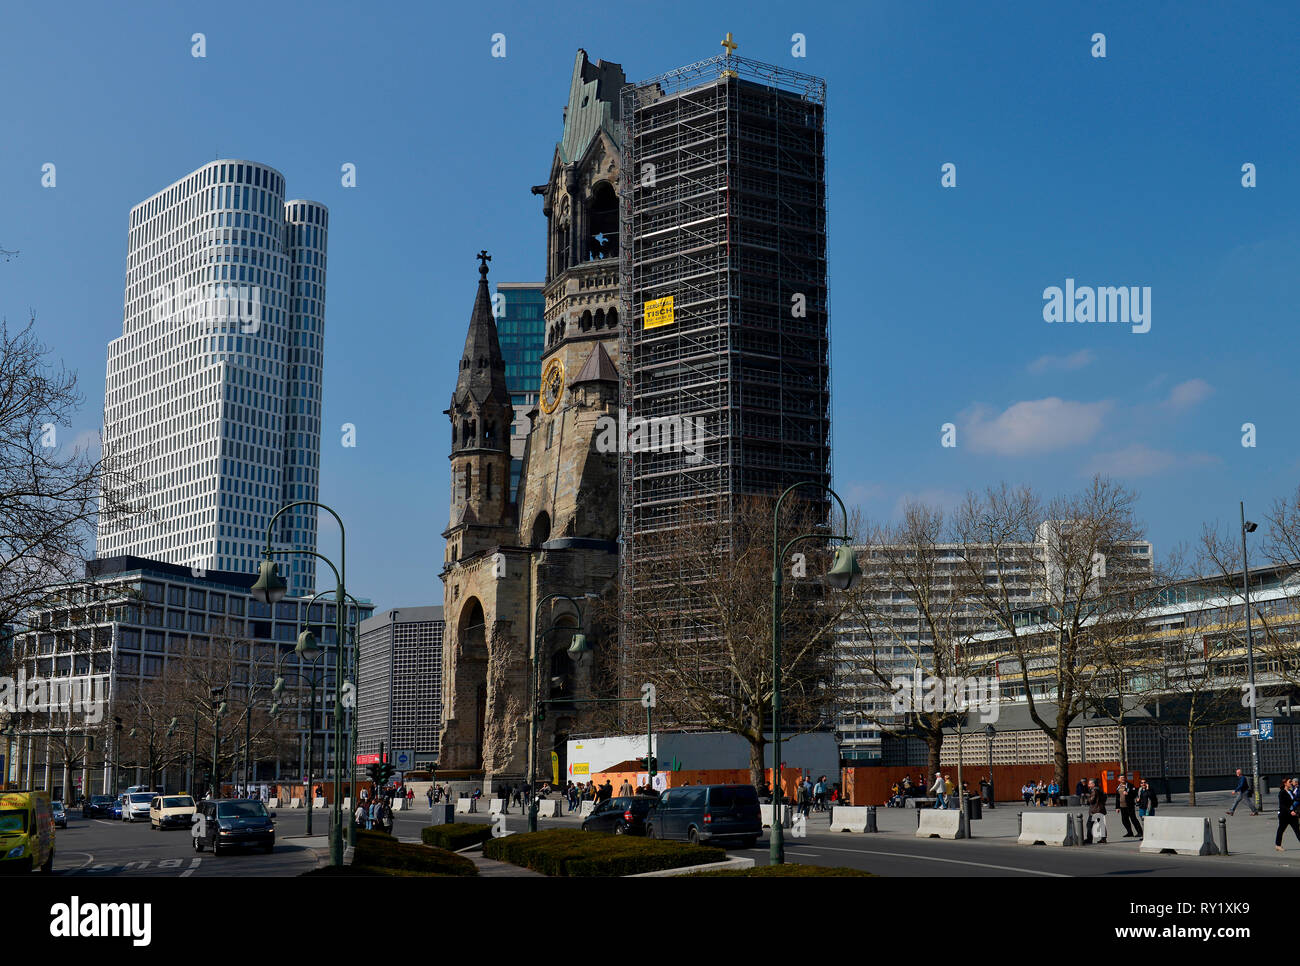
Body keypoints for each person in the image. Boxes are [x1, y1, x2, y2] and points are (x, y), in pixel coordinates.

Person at [1275, 778, 1300, 852]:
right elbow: (1282, 805)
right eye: (1290, 782)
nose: (1291, 783)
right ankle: (1278, 845)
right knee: (1281, 830)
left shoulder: (1291, 791)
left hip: (1292, 815)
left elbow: (1295, 800)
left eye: (1291, 781)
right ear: (1285, 783)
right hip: (1284, 815)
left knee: (1297, 830)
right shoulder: (1282, 793)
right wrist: (1290, 811)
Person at [1087, 779, 1108, 844]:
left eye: (1090, 784)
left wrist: (1088, 799)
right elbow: (1105, 798)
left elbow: (1091, 800)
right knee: (1101, 824)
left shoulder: (1094, 790)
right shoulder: (1100, 789)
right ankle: (1103, 839)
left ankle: (1089, 839)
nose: (1088, 785)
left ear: (1093, 784)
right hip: (1100, 809)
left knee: (1089, 825)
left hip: (1095, 810)